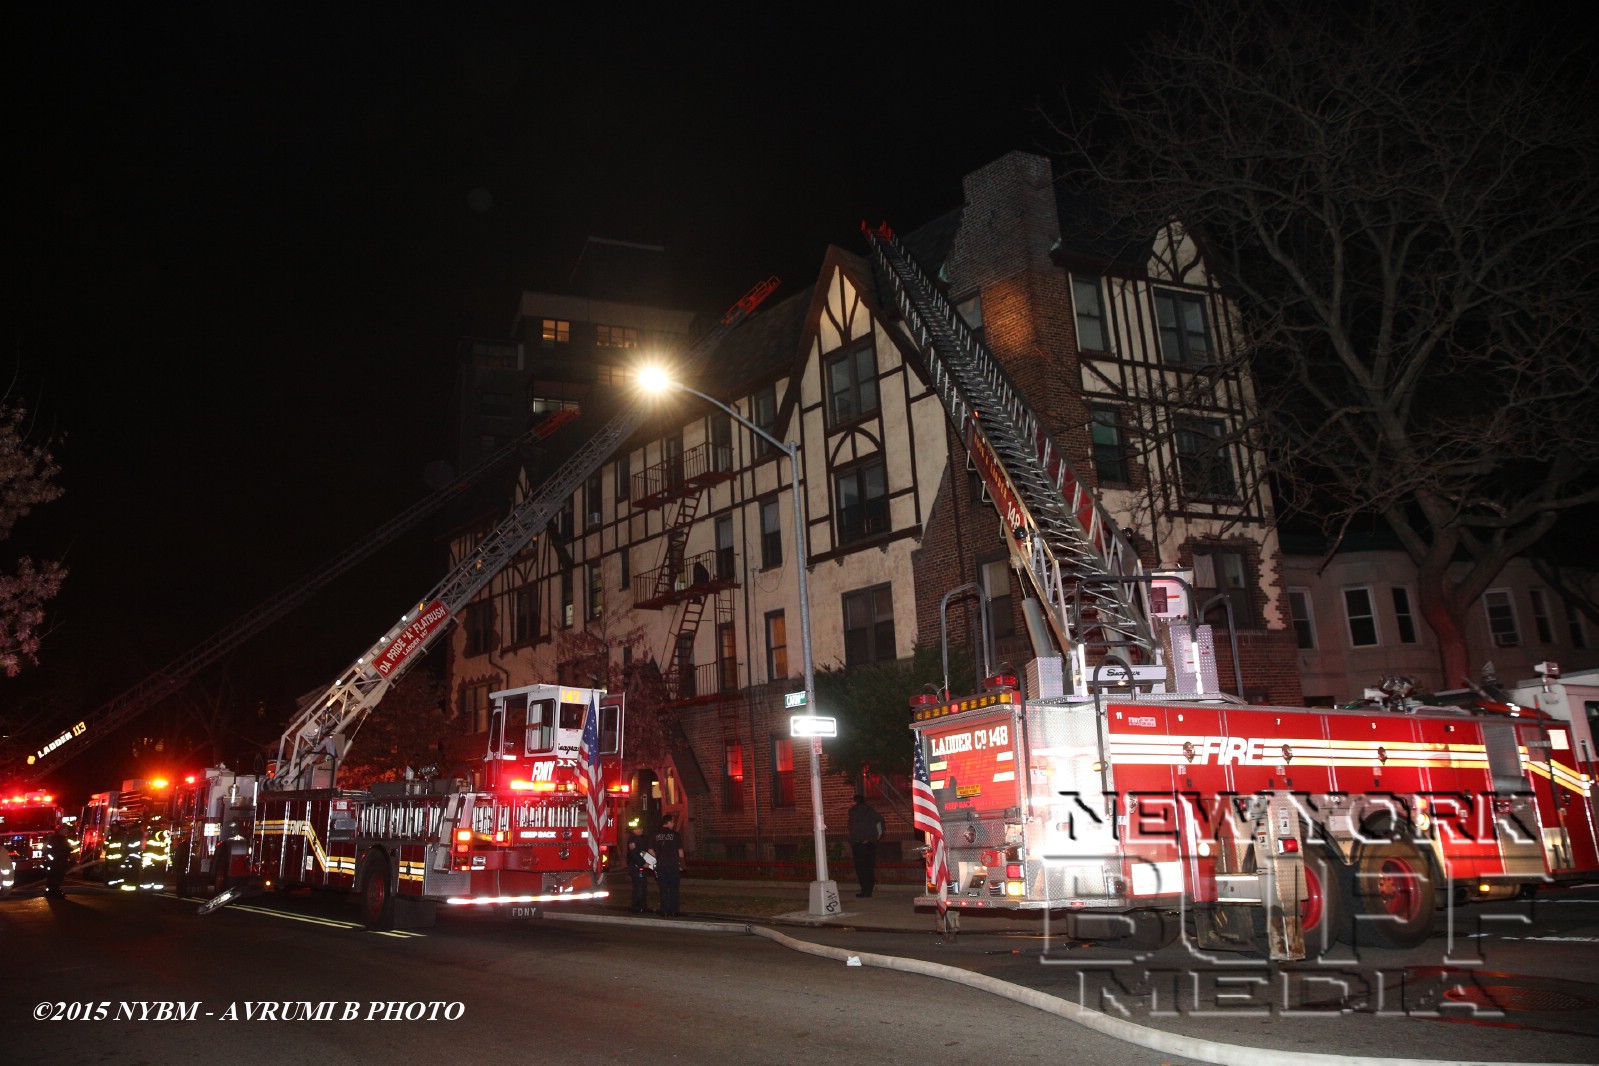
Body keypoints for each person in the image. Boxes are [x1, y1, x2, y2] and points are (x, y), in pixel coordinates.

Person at [847, 793, 885, 898]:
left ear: (855, 801)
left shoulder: (853, 812)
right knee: (869, 867)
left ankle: (864, 889)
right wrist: (875, 838)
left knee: (861, 868)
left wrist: (853, 840)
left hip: (858, 844)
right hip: (869, 843)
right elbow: (880, 822)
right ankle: (869, 889)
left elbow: (852, 828)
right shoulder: (871, 811)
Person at [649, 814, 685, 917]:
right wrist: (682, 865)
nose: (673, 824)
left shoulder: (655, 835)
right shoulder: (675, 835)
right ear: (668, 822)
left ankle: (664, 910)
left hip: (661, 865)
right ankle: (674, 911)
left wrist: (658, 857)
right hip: (673, 865)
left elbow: (650, 850)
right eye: (672, 822)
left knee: (663, 889)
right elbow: (680, 851)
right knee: (674, 888)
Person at [624, 818, 651, 914]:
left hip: (638, 866)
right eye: (641, 828)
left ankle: (641, 906)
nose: (642, 830)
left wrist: (650, 862)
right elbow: (634, 854)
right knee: (639, 887)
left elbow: (642, 853)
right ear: (636, 829)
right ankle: (638, 906)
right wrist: (643, 863)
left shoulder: (638, 839)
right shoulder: (634, 839)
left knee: (641, 886)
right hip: (636, 867)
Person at [44, 821, 72, 900]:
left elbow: (49, 850)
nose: (67, 832)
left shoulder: (54, 838)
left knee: (52, 877)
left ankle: (50, 891)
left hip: (54, 862)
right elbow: (60, 850)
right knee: (57, 877)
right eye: (66, 830)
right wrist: (68, 850)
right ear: (61, 830)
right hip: (58, 862)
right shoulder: (60, 839)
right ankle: (55, 892)